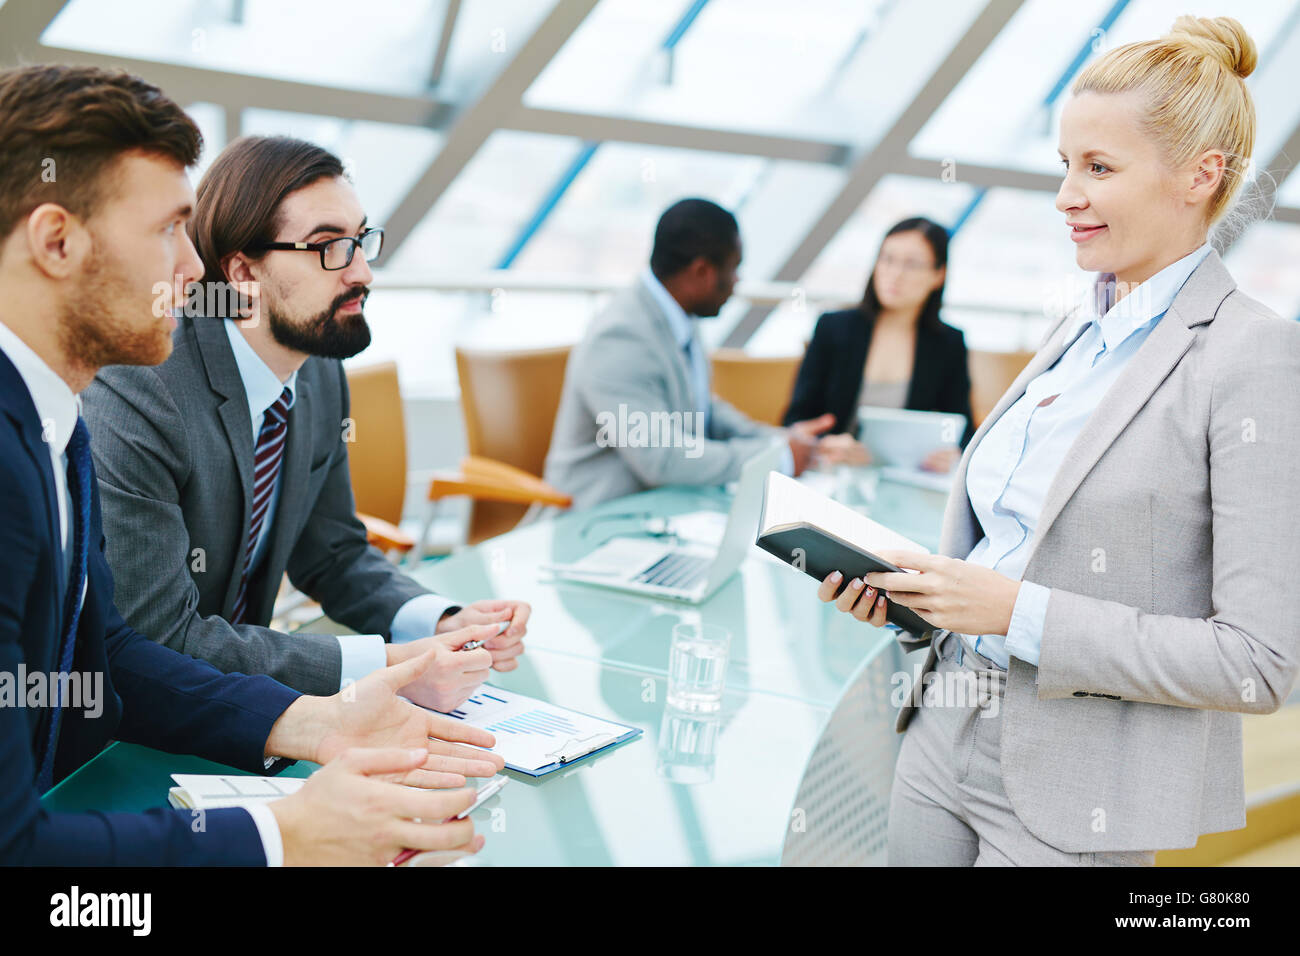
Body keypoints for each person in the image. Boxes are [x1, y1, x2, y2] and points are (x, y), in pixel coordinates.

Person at [819, 16, 1300, 865]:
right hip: (939, 731)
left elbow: (1258, 663)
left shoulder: (1252, 353)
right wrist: (910, 604)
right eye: (1066, 165)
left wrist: (1018, 615)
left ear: (1201, 175)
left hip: (1080, 790)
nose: (1066, 196)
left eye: (1099, 168)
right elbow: (1009, 547)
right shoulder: (1077, 331)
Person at [0, 64, 504, 865]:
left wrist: (310, 720)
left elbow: (110, 649)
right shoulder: (84, 415)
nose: (191, 270)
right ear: (57, 241)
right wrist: (285, 836)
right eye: (169, 231)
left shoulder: (54, 419)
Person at [82, 136, 529, 713]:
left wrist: (439, 621)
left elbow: (333, 553)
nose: (363, 272)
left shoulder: (317, 370)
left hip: (255, 711)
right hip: (129, 722)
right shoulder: (143, 385)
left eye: (361, 240)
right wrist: (389, 668)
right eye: (328, 247)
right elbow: (161, 635)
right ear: (243, 272)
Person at [545, 198, 834, 510]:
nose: (737, 282)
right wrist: (779, 458)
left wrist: (779, 441)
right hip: (593, 522)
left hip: (660, 512)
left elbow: (701, 410)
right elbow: (662, 459)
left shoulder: (679, 315)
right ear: (701, 272)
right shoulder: (619, 336)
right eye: (734, 268)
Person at [782, 216, 974, 471]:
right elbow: (796, 421)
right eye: (887, 259)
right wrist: (825, 442)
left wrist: (951, 453)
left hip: (901, 479)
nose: (895, 274)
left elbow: (962, 428)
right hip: (830, 472)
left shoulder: (948, 343)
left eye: (912, 265)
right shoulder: (834, 328)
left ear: (938, 275)